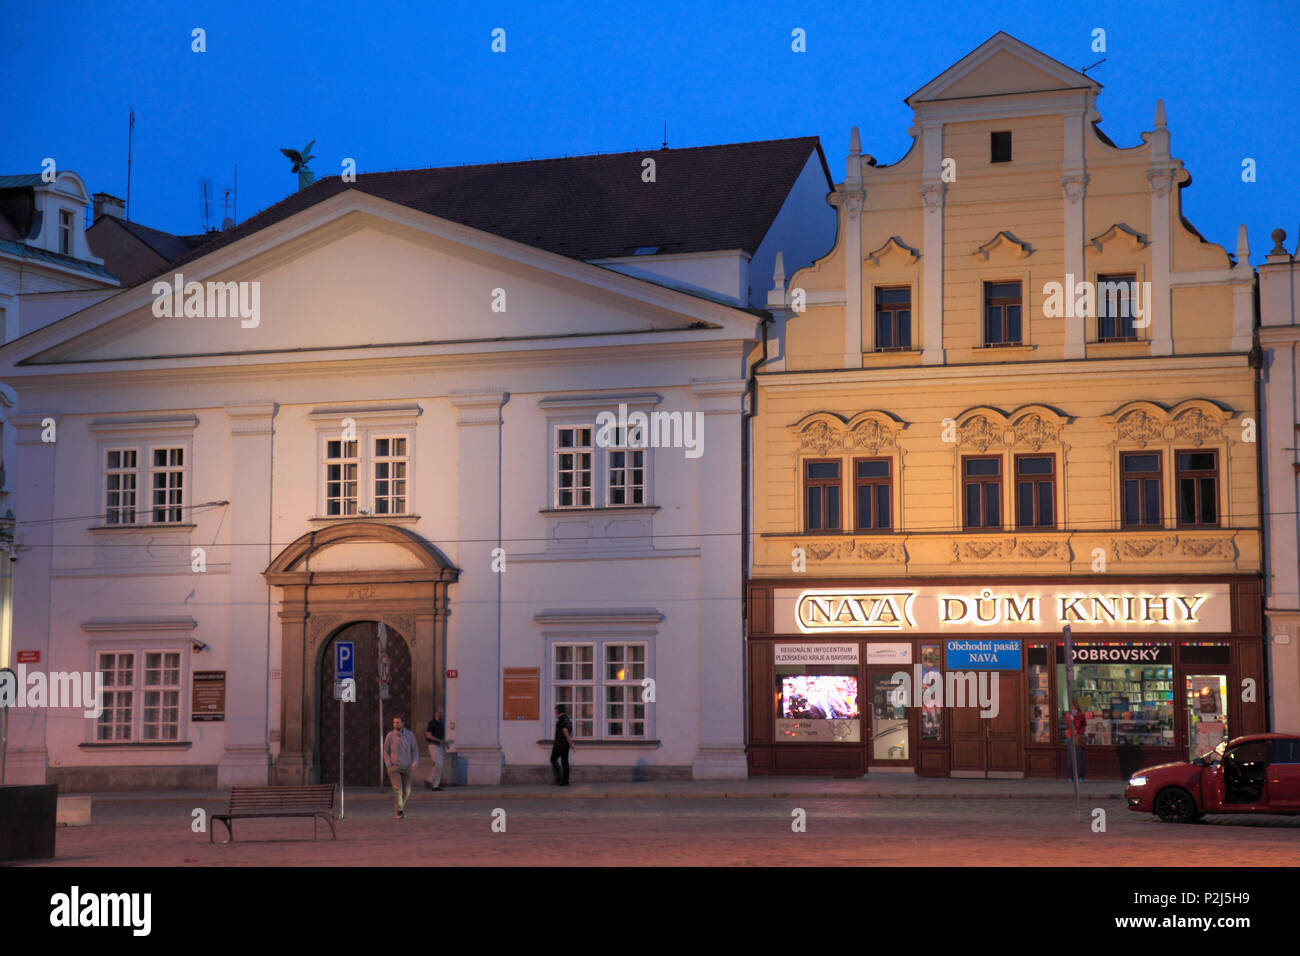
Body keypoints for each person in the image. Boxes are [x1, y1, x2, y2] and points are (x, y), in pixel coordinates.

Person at [383, 715, 419, 818]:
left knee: (407, 790)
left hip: (407, 766)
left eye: (398, 722)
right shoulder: (390, 736)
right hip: (394, 767)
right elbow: (385, 751)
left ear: (402, 723)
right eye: (394, 722)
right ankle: (399, 811)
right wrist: (388, 763)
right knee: (398, 788)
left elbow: (415, 750)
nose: (395, 724)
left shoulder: (410, 735)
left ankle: (399, 807)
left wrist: (414, 762)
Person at [550, 705, 576, 786]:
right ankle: (565, 781)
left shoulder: (561, 720)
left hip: (559, 743)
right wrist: (570, 742)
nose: (554, 712)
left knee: (553, 759)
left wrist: (570, 741)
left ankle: (559, 778)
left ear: (558, 710)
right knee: (565, 762)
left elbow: (565, 730)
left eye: (555, 711)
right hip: (565, 744)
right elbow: (570, 731)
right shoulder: (568, 719)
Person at [425, 708, 446, 791]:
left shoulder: (441, 723)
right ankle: (429, 779)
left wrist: (445, 743)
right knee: (437, 764)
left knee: (440, 765)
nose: (441, 714)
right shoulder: (431, 723)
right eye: (440, 712)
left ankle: (435, 785)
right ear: (436, 713)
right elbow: (428, 735)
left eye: (442, 712)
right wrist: (439, 740)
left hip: (440, 746)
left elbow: (441, 737)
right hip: (433, 746)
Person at [1066, 702, 1087, 781]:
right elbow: (1084, 724)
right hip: (1078, 737)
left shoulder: (1068, 714)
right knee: (1079, 758)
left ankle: (1071, 777)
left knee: (1071, 758)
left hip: (1070, 736)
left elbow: (1068, 724)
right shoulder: (1081, 715)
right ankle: (1080, 777)